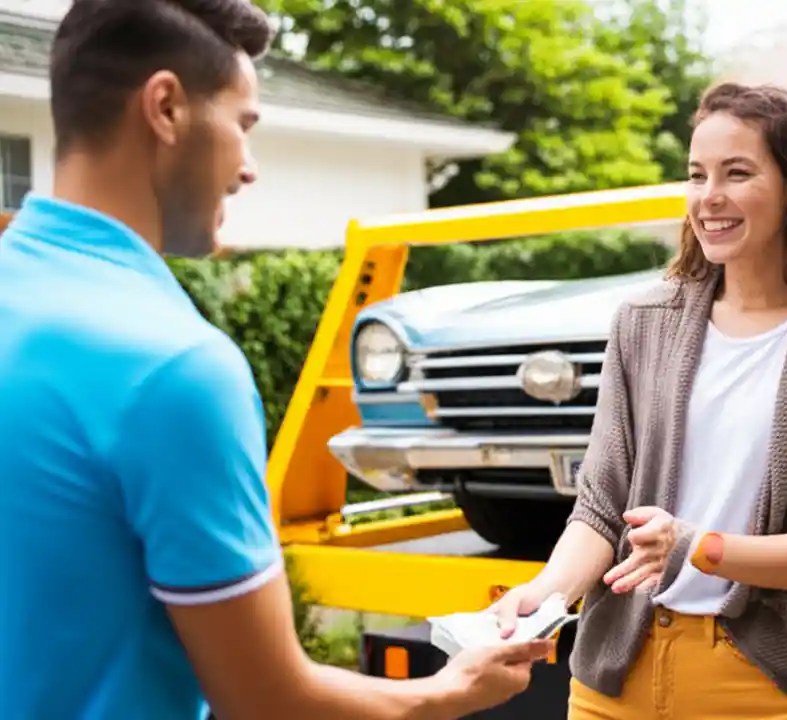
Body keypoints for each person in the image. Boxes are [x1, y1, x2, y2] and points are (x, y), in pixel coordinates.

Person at [0, 1, 550, 719]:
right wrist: (449, 690)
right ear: (166, 107)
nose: (248, 168)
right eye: (244, 124)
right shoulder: (174, 369)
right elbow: (266, 697)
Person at [490, 82, 787, 718]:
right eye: (697, 174)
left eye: (737, 173)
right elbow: (602, 506)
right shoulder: (643, 320)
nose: (709, 196)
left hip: (754, 685)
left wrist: (694, 547)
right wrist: (545, 595)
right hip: (613, 683)